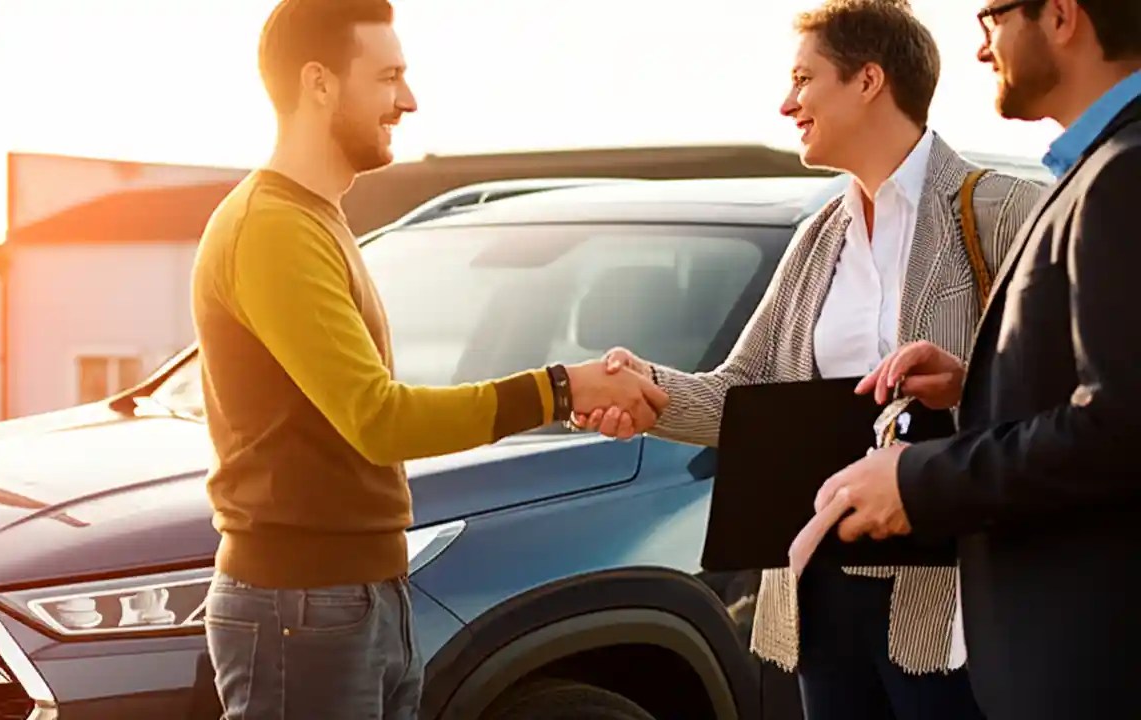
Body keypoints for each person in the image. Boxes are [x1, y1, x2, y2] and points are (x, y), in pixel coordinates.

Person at [189, 1, 668, 717]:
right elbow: (378, 419)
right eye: (388, 77)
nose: (407, 101)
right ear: (319, 83)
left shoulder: (314, 219)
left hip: (355, 598)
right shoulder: (273, 230)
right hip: (304, 607)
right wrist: (560, 388)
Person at [576, 1, 1042, 717]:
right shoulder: (821, 235)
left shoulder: (1009, 213)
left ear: (868, 81)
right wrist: (648, 390)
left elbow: (1077, 397)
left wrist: (963, 386)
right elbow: (746, 395)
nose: (787, 102)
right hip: (820, 592)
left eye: (804, 78)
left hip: (952, 600)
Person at [817, 1, 1141, 718]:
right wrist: (974, 390)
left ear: (1060, 16)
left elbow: (1122, 428)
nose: (980, 51)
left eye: (991, 17)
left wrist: (916, 480)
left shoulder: (1124, 173)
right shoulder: (1099, 169)